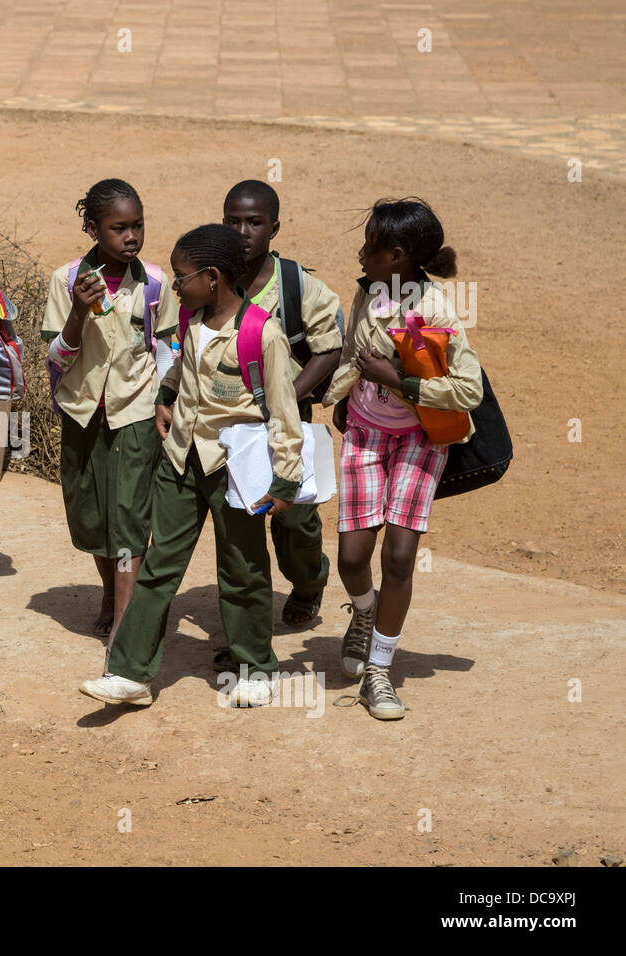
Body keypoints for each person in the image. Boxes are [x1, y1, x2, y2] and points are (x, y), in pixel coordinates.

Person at [78, 224, 304, 709]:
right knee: (159, 565)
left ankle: (257, 668)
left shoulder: (261, 333)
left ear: (214, 277)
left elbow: (286, 415)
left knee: (241, 568)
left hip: (234, 470)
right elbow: (181, 369)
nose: (176, 286)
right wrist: (165, 397)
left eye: (183, 277)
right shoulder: (190, 322)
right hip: (181, 460)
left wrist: (285, 480)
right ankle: (130, 673)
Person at [324, 198, 481, 719]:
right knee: (350, 558)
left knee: (398, 557)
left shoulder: (436, 310)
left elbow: (468, 389)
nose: (360, 252)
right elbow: (351, 353)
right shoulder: (368, 290)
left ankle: (379, 672)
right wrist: (342, 398)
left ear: (396, 255)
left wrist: (399, 381)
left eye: (368, 244)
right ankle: (364, 615)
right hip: (366, 435)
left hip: (418, 441)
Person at [42, 179, 179, 651]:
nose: (131, 237)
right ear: (93, 228)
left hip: (136, 414)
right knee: (92, 518)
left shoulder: (157, 283)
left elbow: (167, 350)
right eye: (118, 227)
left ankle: (125, 622)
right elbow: (56, 360)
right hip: (82, 414)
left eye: (137, 225)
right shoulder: (64, 281)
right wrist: (78, 312)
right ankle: (109, 591)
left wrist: (165, 403)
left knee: (129, 521)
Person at [221, 180, 344, 632]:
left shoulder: (297, 285)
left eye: (254, 222)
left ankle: (309, 582)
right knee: (240, 520)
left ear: (274, 227)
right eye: (232, 221)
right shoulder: (213, 277)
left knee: (294, 521)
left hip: (288, 422)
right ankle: (247, 621)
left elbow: (329, 349)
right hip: (229, 424)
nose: (242, 231)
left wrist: (285, 400)